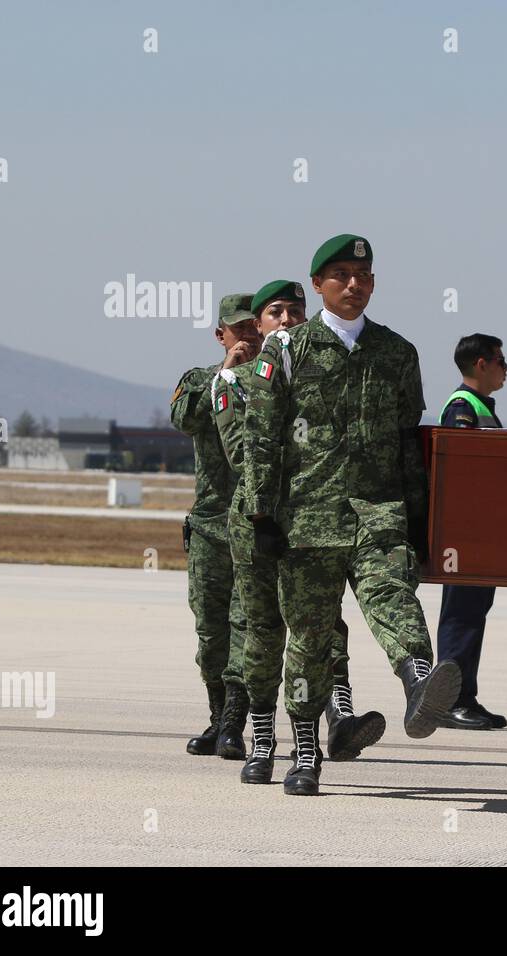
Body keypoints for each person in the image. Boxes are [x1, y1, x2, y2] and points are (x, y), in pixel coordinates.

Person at [242, 235, 462, 796]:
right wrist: (261, 514)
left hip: (377, 512)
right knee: (310, 639)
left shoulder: (397, 353)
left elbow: (408, 443)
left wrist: (419, 517)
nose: (353, 284)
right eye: (339, 275)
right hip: (306, 521)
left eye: (362, 275)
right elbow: (262, 437)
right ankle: (307, 751)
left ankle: (418, 683)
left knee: (393, 596)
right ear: (318, 285)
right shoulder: (287, 349)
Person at [212, 279, 386, 783]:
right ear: (258, 325)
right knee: (263, 636)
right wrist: (266, 516)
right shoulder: (234, 383)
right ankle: (262, 739)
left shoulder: (316, 373)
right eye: (275, 313)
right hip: (256, 524)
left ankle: (308, 746)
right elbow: (241, 456)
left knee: (315, 635)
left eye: (294, 311)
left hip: (313, 522)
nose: (287, 320)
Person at [170, 294, 257, 758]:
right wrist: (225, 371)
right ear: (220, 334)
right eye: (237, 329)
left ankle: (235, 726)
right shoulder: (200, 380)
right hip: (208, 528)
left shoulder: (273, 383)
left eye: (253, 329)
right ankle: (216, 717)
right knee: (211, 632)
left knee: (245, 629)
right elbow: (183, 418)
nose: (247, 337)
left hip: (254, 526)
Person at [434, 334, 507, 730]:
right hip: (467, 533)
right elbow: (462, 471)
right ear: (481, 364)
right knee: (462, 616)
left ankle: (465, 695)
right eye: (500, 360)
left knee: (472, 613)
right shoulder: (463, 408)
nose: (506, 368)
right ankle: (450, 702)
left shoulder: (480, 407)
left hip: (480, 532)